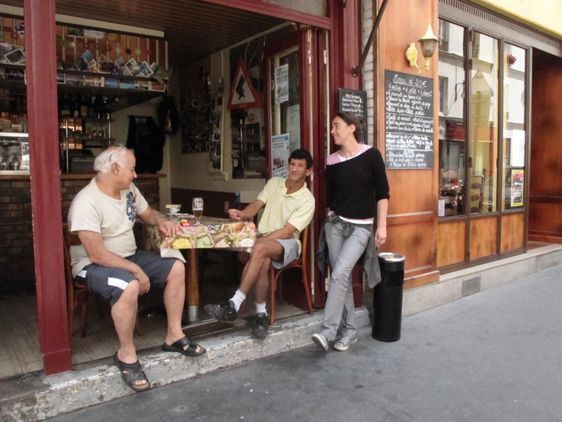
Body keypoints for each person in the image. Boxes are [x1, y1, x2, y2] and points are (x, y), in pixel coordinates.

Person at [68, 145, 205, 393]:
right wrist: (135, 270)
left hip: (128, 256)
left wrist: (163, 220)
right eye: (131, 169)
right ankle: (126, 355)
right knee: (128, 284)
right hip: (92, 264)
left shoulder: (128, 189)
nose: (135, 175)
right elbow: (96, 253)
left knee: (176, 266)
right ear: (115, 167)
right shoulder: (86, 202)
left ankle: (174, 335)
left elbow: (149, 213)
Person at [204, 149, 315, 339]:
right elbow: (257, 204)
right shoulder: (274, 184)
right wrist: (243, 214)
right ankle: (261, 314)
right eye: (292, 164)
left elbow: (287, 231)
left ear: (308, 171)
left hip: (288, 244)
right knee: (262, 258)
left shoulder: (307, 199)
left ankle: (235, 304)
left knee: (260, 247)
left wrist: (260, 240)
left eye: (300, 165)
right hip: (263, 242)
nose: (294, 169)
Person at [311, 111, 389, 352]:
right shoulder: (331, 161)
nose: (332, 131)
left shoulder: (372, 155)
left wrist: (382, 225)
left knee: (339, 274)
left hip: (361, 228)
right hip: (335, 226)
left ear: (352, 127)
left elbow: (383, 193)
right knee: (340, 277)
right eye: (332, 127)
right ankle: (350, 331)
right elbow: (331, 196)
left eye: (336, 126)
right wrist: (329, 215)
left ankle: (327, 331)